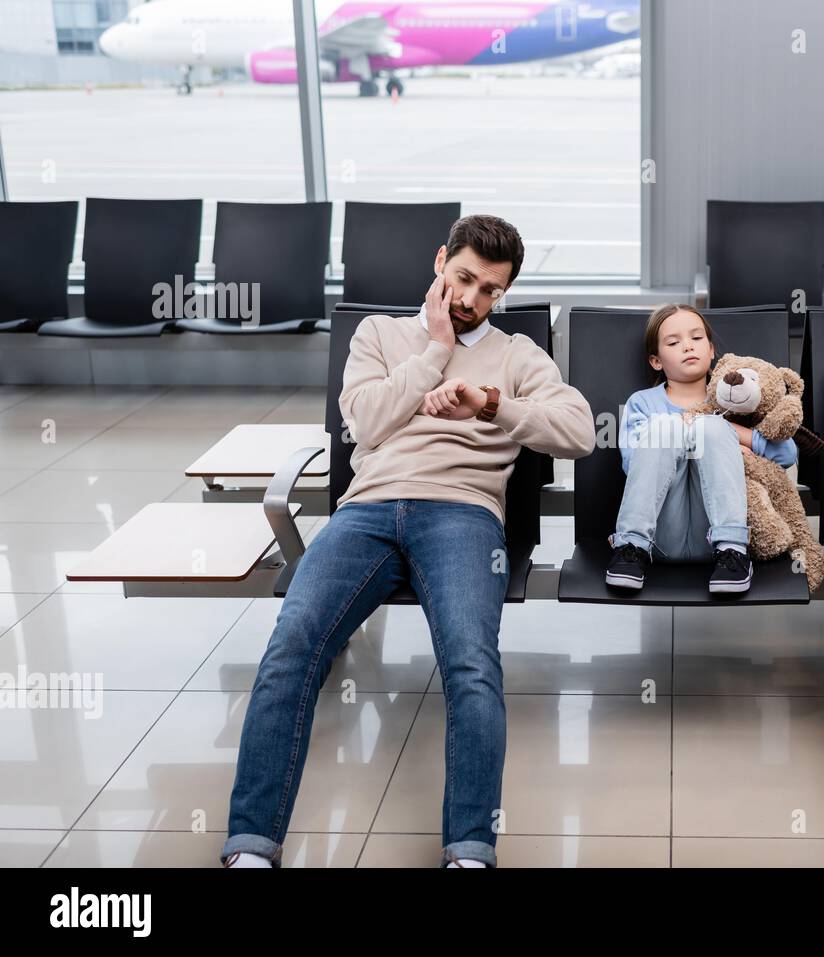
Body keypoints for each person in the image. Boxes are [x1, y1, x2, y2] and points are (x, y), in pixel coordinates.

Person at [221, 214, 596, 869]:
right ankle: (252, 844)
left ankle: (470, 850)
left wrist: (490, 404)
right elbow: (363, 422)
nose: (474, 299)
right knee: (291, 647)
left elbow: (578, 431)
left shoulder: (515, 355)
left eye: (491, 290)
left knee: (471, 665)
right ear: (440, 261)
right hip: (366, 508)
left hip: (465, 513)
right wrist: (434, 353)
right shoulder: (380, 334)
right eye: (465, 278)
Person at [605, 304, 797, 594]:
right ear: (656, 361)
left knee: (712, 427)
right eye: (673, 342)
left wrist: (729, 438)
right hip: (659, 536)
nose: (687, 346)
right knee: (663, 427)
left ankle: (734, 551)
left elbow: (787, 455)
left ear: (711, 351)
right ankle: (630, 546)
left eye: (696, 338)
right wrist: (686, 430)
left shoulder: (736, 397)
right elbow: (635, 466)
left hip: (719, 532)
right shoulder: (642, 403)